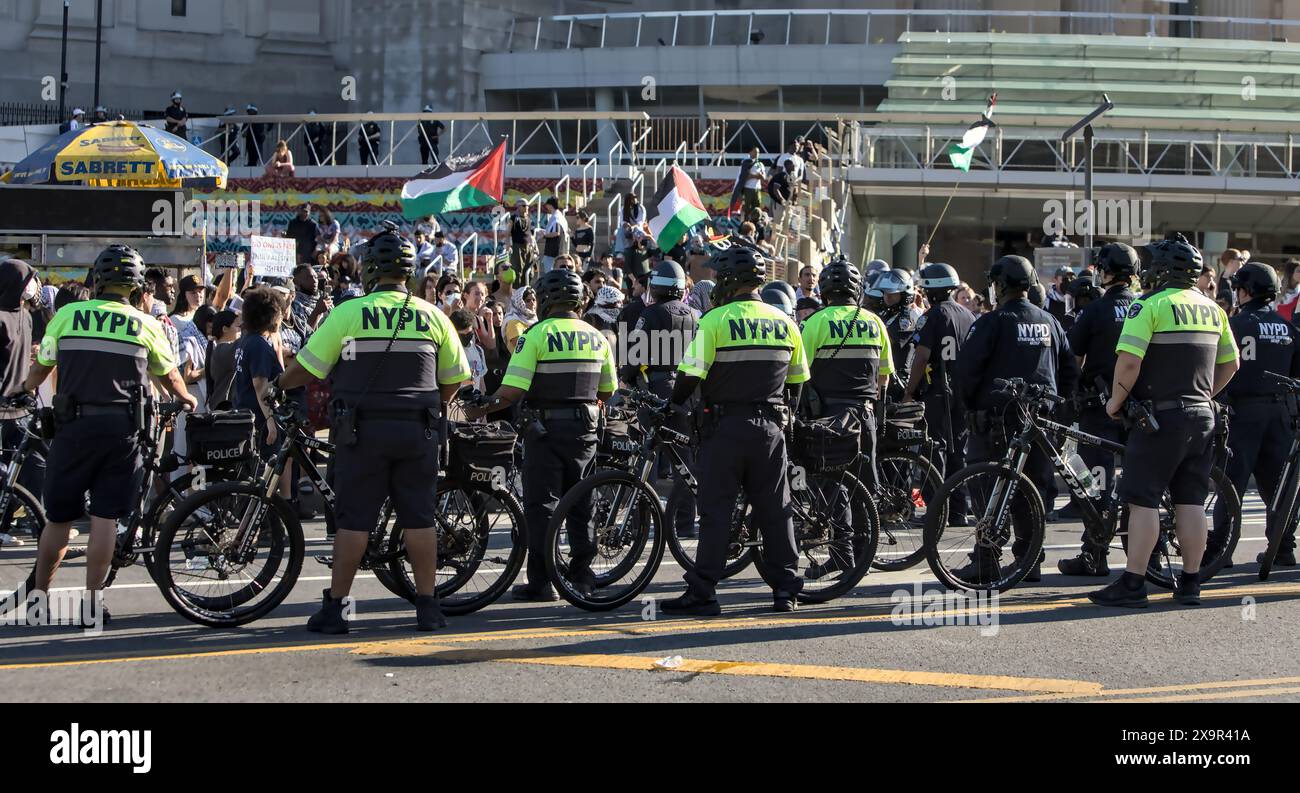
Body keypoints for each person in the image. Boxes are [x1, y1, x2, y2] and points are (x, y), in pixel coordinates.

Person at [277, 229, 470, 632]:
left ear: (371, 271)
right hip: (418, 432)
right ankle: (428, 607)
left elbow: (304, 371)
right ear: (409, 271)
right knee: (419, 518)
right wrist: (433, 401)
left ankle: (335, 610)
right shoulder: (434, 315)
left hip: (361, 433)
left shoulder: (348, 312)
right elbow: (455, 379)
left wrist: (276, 384)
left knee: (354, 521)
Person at [17, 245, 195, 623]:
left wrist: (23, 387)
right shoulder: (145, 324)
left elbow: (39, 369)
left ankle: (37, 602)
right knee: (104, 520)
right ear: (135, 287)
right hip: (121, 431)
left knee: (58, 521)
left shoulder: (67, 315)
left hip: (71, 428)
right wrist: (186, 401)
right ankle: (91, 605)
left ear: (97, 280)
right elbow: (171, 375)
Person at [1091, 235, 1239, 608]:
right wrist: (1206, 395)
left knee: (1143, 501)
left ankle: (1133, 582)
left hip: (1159, 418)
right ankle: (1190, 583)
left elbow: (1129, 363)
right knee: (1190, 500)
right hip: (1203, 415)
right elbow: (1231, 364)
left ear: (1160, 270)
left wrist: (1114, 402)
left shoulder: (1149, 306)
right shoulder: (1212, 309)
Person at [661, 245, 809, 615]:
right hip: (771, 429)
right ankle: (785, 590)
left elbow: (689, 375)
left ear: (728, 279)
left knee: (716, 512)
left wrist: (672, 407)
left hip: (724, 428)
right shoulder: (786, 322)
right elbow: (798, 381)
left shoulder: (714, 320)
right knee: (776, 509)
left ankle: (704, 592)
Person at [462, 269, 617, 602]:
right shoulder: (597, 337)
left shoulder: (536, 335)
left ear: (546, 300)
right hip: (586, 432)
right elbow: (608, 389)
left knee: (542, 507)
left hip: (544, 433)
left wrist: (482, 409)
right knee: (582, 504)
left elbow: (511, 392)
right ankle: (582, 577)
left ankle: (542, 582)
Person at [954, 255, 1078, 584]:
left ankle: (986, 560)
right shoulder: (1050, 321)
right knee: (1033, 491)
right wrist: (1059, 409)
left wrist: (968, 408)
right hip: (1040, 424)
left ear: (1000, 286)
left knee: (988, 489)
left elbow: (966, 373)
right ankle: (1030, 559)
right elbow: (1069, 372)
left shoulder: (991, 322)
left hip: (995, 423)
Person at [799, 258, 892, 579]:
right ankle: (862, 556)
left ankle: (843, 555)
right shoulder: (875, 322)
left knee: (831, 487)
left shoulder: (815, 323)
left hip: (829, 418)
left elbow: (799, 374)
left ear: (824, 290)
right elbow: (884, 378)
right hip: (865, 416)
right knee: (863, 487)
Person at [1057, 243, 1139, 575]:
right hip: (1138, 409)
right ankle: (1142, 550)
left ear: (1104, 273)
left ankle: (1095, 554)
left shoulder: (1094, 311)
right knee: (1138, 484)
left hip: (1099, 408)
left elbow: (1074, 360)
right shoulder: (1144, 305)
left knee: (1097, 486)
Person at [1218, 262, 1300, 567]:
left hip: (1242, 412)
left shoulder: (1234, 325)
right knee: (1280, 486)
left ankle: (1220, 550)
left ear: (1245, 291)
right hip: (1281, 413)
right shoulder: (1288, 328)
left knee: (1231, 482)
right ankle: (1283, 547)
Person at [620, 261, 700, 538]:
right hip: (689, 391)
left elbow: (633, 356)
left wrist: (628, 377)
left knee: (648, 456)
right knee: (685, 459)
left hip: (657, 388)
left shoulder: (650, 314)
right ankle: (686, 523)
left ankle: (639, 523)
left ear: (655, 287)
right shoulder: (695, 315)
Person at [904, 262, 976, 523]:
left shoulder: (931, 316)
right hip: (963, 392)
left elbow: (921, 357)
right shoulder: (968, 316)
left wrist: (909, 392)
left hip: (937, 392)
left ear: (932, 291)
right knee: (959, 452)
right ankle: (958, 510)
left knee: (936, 450)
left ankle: (936, 511)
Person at [0, 258, 43, 523]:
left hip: (19, 405)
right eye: (28, 280)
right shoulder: (8, 317)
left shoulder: (25, 315)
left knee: (28, 468)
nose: (32, 287)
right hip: (9, 404)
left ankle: (20, 520)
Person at [874, 268, 921, 397]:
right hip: (883, 378)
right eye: (885, 292)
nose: (887, 296)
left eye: (893, 293)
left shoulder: (906, 318)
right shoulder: (886, 314)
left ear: (904, 294)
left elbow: (885, 341)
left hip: (898, 381)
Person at [540, 197, 568, 274]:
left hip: (552, 250)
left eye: (547, 205)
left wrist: (545, 235)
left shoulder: (556, 217)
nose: (546, 207)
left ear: (550, 205)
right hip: (556, 249)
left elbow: (556, 232)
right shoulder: (560, 216)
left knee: (550, 271)